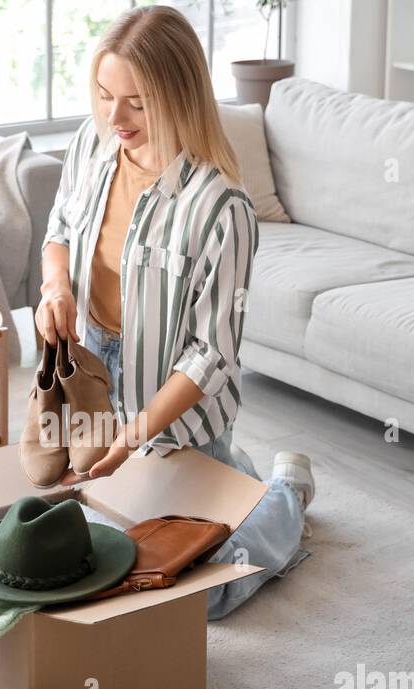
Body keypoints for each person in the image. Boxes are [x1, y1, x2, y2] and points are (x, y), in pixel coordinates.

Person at [35, 4, 314, 620]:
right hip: (96, 381)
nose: (116, 118)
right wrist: (56, 288)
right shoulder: (92, 143)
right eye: (105, 95)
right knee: (74, 547)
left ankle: (285, 496)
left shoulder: (221, 207)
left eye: (136, 102)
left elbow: (211, 354)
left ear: (179, 93)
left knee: (199, 595)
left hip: (177, 411)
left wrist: (134, 438)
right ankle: (238, 482)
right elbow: (59, 226)